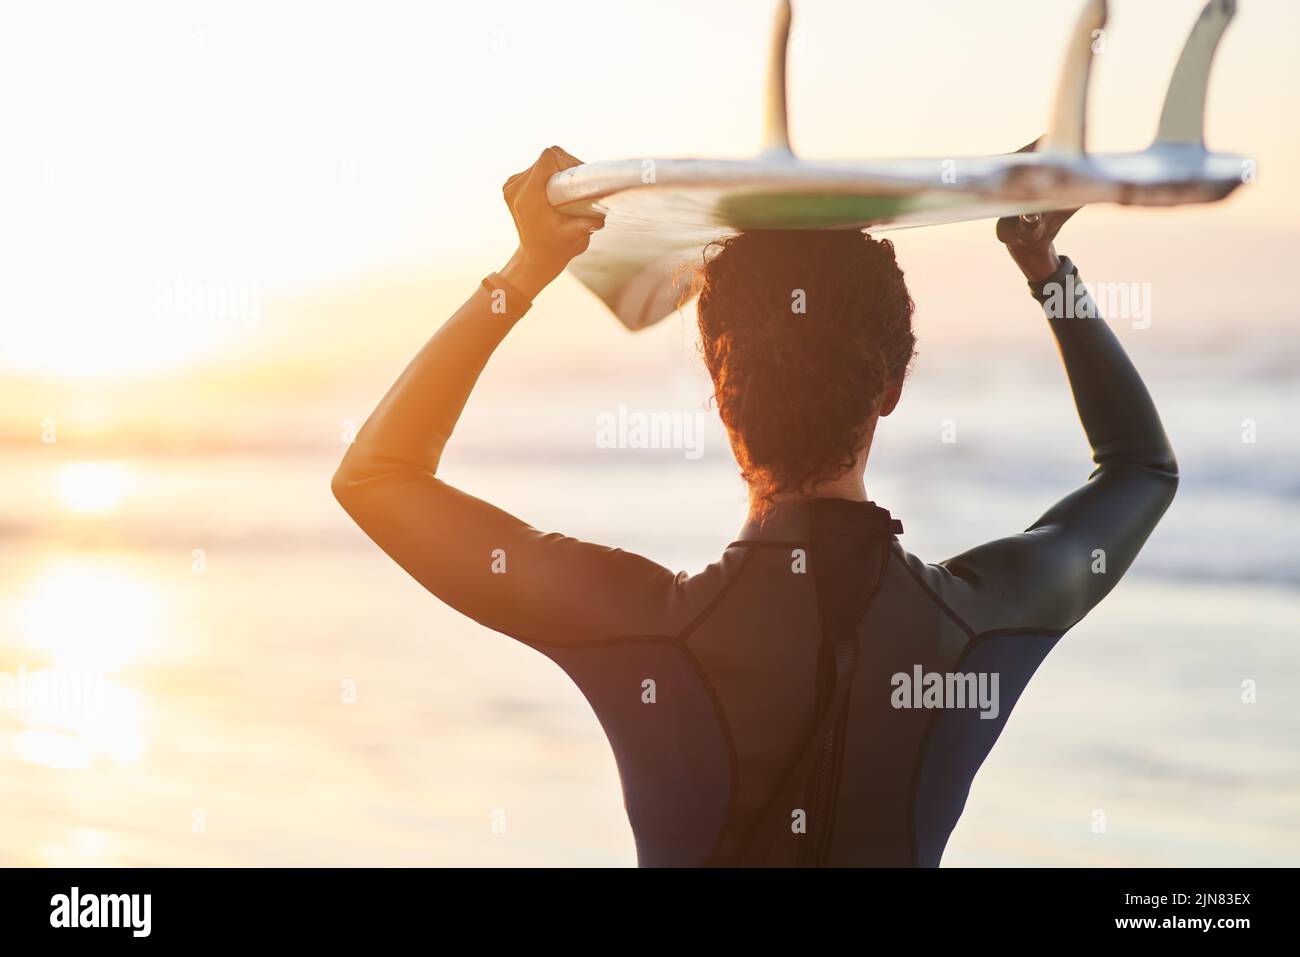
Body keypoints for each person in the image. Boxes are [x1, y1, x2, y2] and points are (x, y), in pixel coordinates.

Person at [332, 146, 1178, 866]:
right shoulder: (981, 620)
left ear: (719, 386)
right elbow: (1140, 469)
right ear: (890, 387)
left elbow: (377, 475)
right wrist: (1045, 271)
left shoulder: (638, 626)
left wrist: (522, 273)